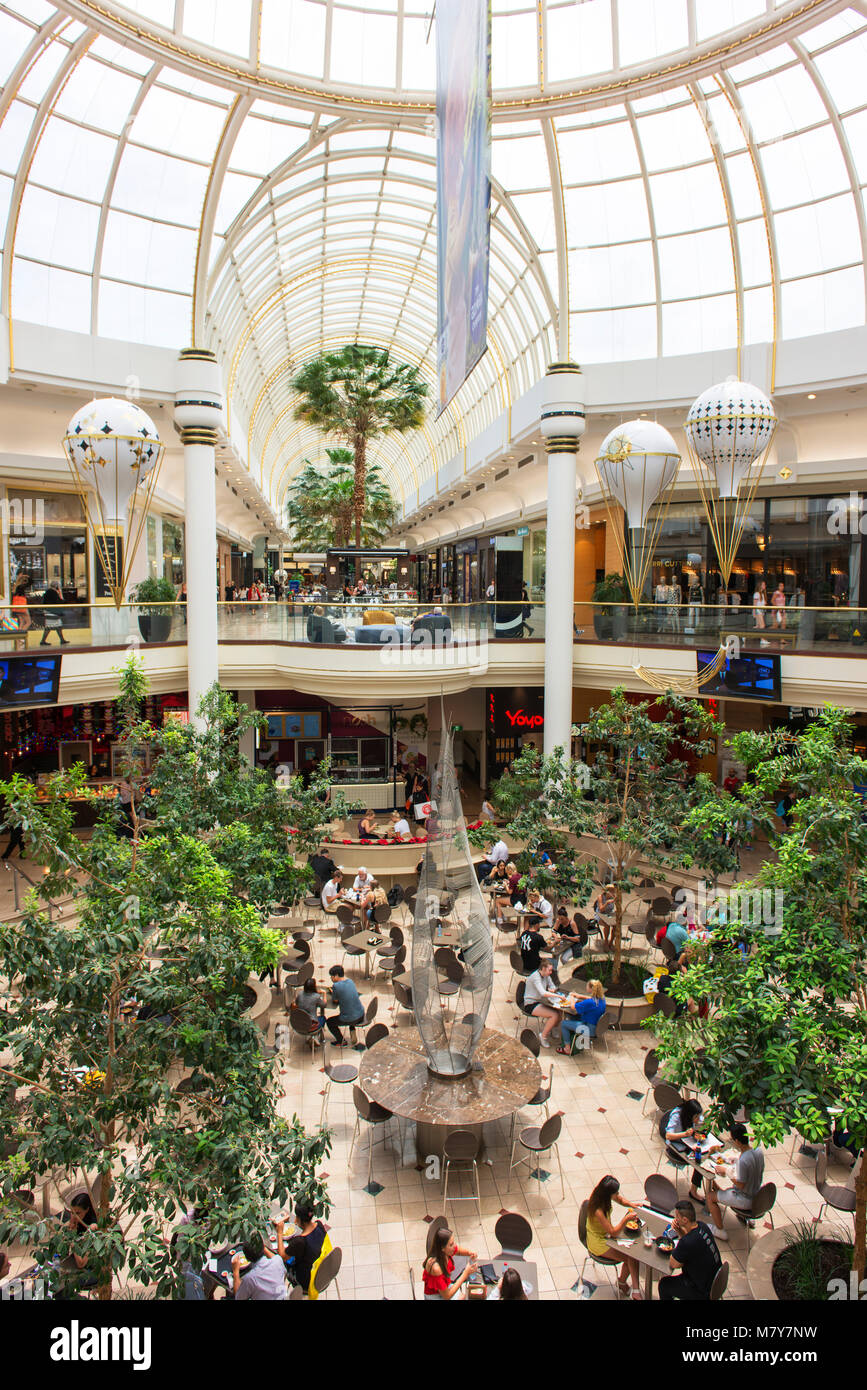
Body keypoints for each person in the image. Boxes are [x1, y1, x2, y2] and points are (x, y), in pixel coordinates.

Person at [700, 1123, 765, 1241]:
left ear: (737, 1141)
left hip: (746, 1199)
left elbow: (740, 1184)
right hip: (758, 1194)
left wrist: (727, 1172)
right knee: (718, 1190)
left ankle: (719, 1230)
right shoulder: (758, 1151)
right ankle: (748, 1218)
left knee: (710, 1197)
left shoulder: (743, 1161)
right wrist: (735, 1161)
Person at [584, 1175, 644, 1299]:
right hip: (598, 1242)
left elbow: (620, 1200)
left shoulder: (603, 1197)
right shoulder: (598, 1211)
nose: (617, 1194)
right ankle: (631, 1288)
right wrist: (626, 1219)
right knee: (631, 1258)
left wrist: (633, 1206)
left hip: (605, 1235)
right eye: (615, 1193)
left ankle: (623, 1283)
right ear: (607, 1194)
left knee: (632, 1255)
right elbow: (613, 1232)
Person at [657, 1199, 722, 1302]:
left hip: (702, 1290)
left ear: (685, 1220)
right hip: (716, 1280)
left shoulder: (687, 1242)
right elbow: (692, 1243)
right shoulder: (702, 1226)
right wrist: (679, 1231)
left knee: (664, 1285)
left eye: (677, 1216)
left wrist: (674, 1248)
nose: (675, 1218)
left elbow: (674, 1264)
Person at [275, 1204, 332, 1297]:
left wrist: (279, 1233)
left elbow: (282, 1256)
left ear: (299, 1219)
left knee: (279, 1262)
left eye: (296, 1217)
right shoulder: (320, 1226)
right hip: (323, 1273)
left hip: (306, 1281)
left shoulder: (300, 1241)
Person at [422, 1226, 478, 1300]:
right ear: (442, 1248)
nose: (454, 1246)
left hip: (443, 1288)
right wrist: (465, 1273)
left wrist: (469, 1252)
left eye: (453, 1242)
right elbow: (447, 1296)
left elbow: (458, 1250)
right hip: (434, 1296)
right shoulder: (436, 1269)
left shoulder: (445, 1252)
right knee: (462, 1297)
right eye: (451, 1244)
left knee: (462, 1296)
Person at [233, 1231, 287, 1300]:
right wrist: (261, 1246)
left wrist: (235, 1271)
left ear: (247, 1257)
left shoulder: (250, 1278)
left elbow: (238, 1298)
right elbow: (275, 1258)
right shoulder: (278, 1260)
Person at [557, 978, 606, 1054]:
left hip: (588, 1029)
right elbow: (590, 998)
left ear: (590, 989)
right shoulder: (602, 998)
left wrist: (572, 997)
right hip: (597, 1026)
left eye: (587, 986)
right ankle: (570, 1038)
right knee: (572, 1016)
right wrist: (579, 996)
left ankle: (567, 1048)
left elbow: (573, 1007)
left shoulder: (589, 1002)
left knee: (563, 1023)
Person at [523, 959, 561, 1048]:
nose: (551, 972)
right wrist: (559, 997)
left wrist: (553, 989)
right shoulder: (535, 977)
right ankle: (543, 1036)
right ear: (543, 968)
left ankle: (553, 1027)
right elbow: (543, 993)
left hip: (540, 1001)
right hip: (531, 1004)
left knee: (560, 1012)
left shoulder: (546, 975)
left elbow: (552, 986)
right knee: (554, 1015)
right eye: (550, 970)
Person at [325, 964, 365, 1045]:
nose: (331, 978)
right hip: (361, 1015)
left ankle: (341, 1041)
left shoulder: (336, 986)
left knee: (329, 1022)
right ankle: (352, 1028)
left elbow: (335, 1001)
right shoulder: (350, 981)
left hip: (350, 1018)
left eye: (332, 976)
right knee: (350, 1007)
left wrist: (333, 993)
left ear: (336, 976)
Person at [11, 575, 31, 651]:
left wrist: (19, 578)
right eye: (24, 580)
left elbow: (13, 592)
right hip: (22, 606)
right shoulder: (21, 587)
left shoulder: (16, 586)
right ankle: (21, 637)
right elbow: (31, 582)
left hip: (17, 607)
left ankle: (18, 640)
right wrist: (25, 577)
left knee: (22, 622)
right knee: (28, 622)